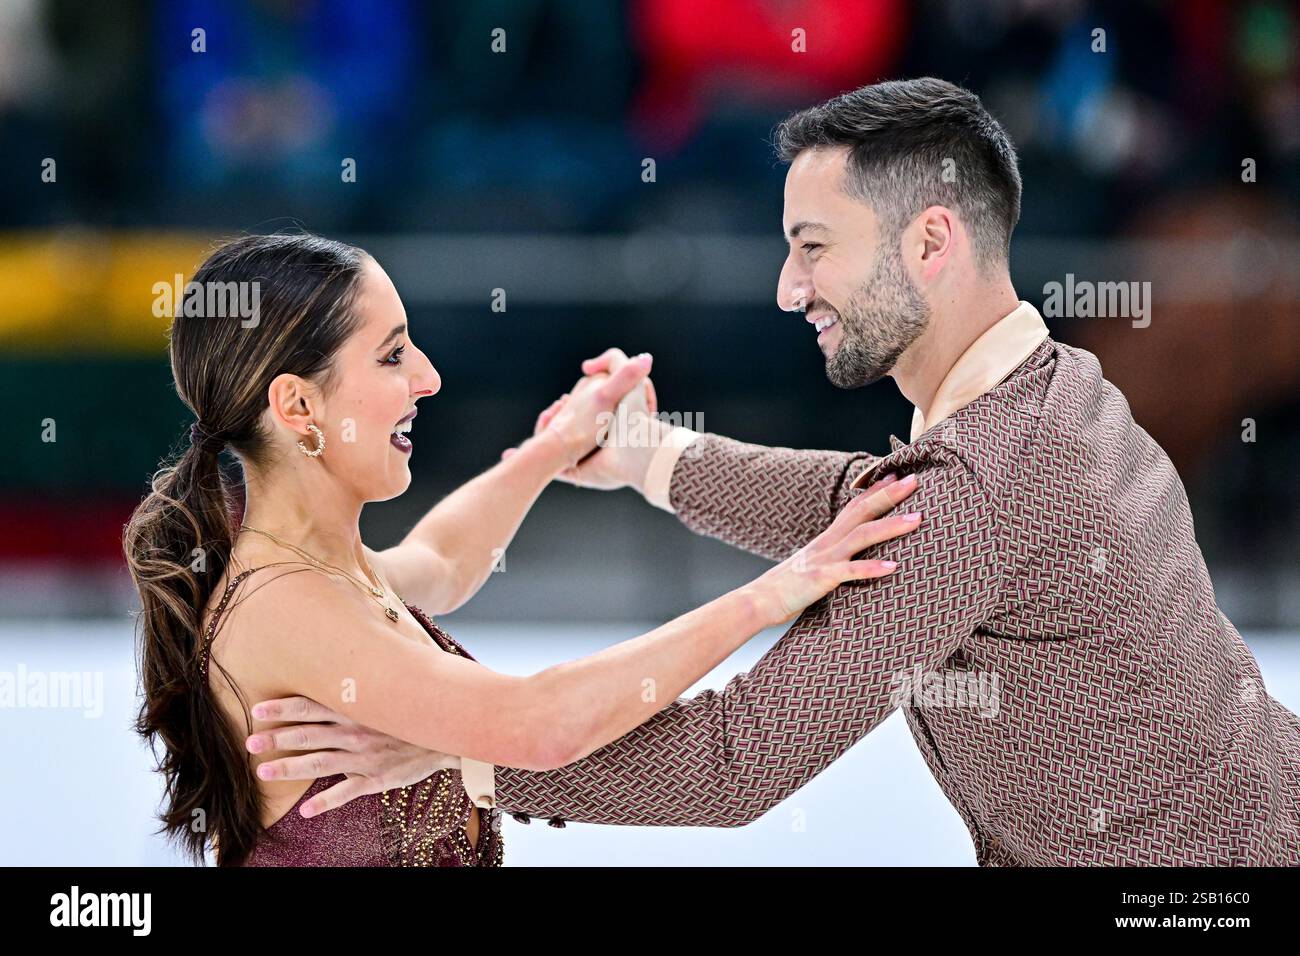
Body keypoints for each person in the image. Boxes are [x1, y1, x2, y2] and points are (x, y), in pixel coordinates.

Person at [260, 78, 1300, 865]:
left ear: (929, 241)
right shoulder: (1058, 390)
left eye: (812, 247)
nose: (785, 286)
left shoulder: (979, 490)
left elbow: (735, 760)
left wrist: (458, 759)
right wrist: (648, 454)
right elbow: (867, 497)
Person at [124, 231, 920, 866]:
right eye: (393, 355)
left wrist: (555, 448)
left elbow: (442, 562)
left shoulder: (327, 569)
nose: (429, 378)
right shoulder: (283, 602)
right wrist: (779, 589)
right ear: (298, 405)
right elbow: (539, 724)